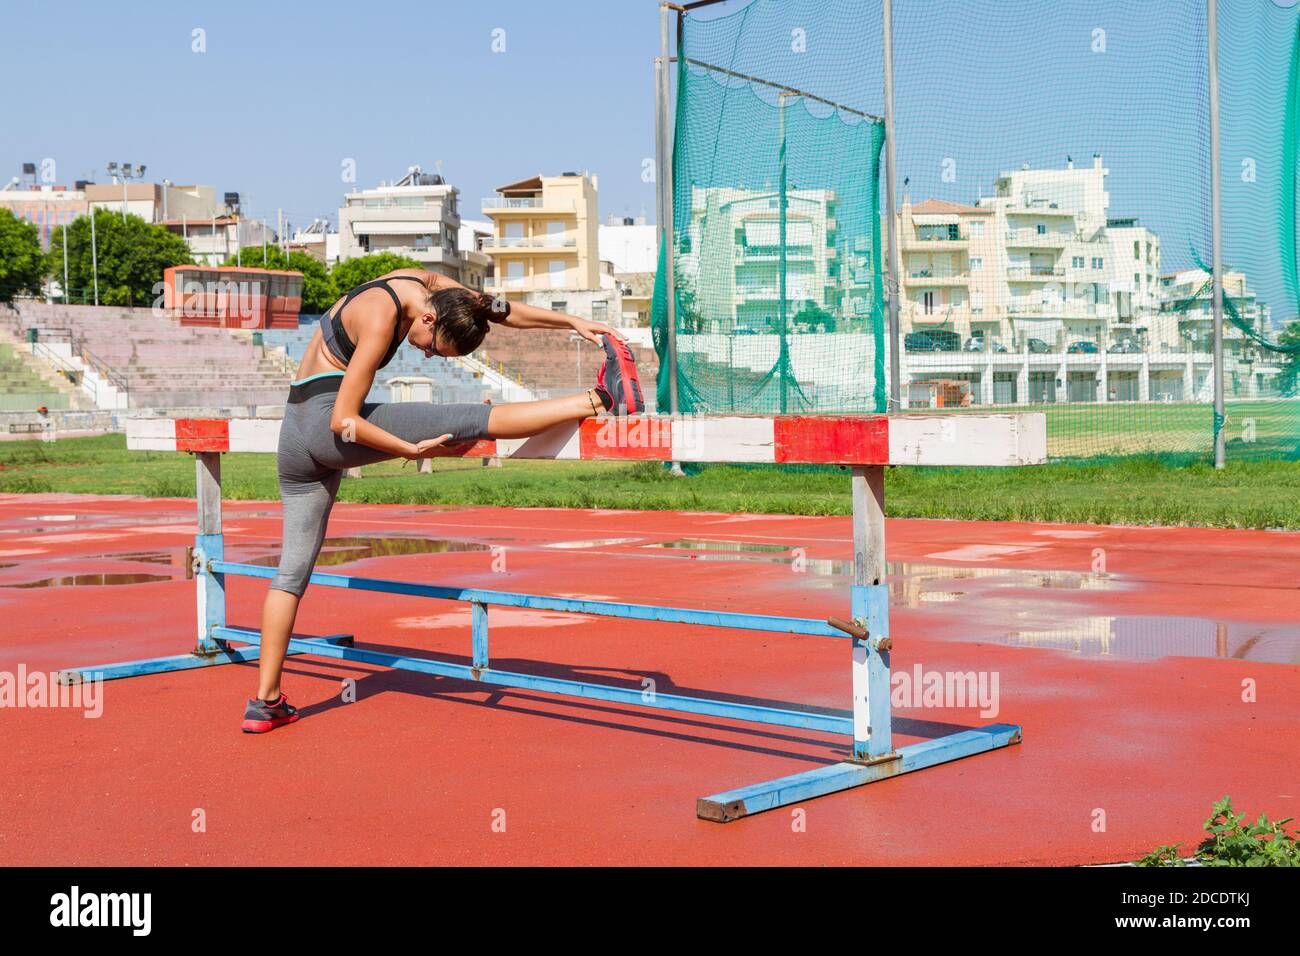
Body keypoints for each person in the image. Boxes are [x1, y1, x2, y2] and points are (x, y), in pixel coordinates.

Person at [241, 268, 643, 732]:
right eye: (433, 347)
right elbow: (342, 421)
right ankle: (601, 398)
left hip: (292, 431)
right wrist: (409, 449)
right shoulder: (379, 319)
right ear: (429, 319)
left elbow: (495, 308)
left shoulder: (426, 285)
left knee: (290, 575)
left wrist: (571, 323)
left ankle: (264, 702)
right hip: (327, 425)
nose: (428, 355)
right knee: (471, 418)